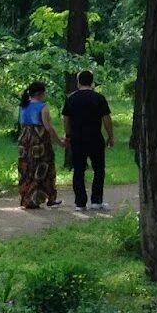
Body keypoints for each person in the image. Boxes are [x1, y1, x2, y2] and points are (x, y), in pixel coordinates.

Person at [62, 68, 114, 211]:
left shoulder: (71, 98)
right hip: (95, 137)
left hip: (77, 138)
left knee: (78, 170)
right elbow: (106, 119)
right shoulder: (99, 98)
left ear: (78, 82)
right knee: (99, 169)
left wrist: (68, 135)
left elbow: (66, 120)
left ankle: (80, 203)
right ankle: (96, 201)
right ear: (92, 82)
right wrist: (110, 136)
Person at [16, 81, 64, 209]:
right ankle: (48, 197)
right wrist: (59, 141)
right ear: (39, 93)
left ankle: (27, 198)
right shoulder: (42, 107)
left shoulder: (22, 106)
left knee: (27, 168)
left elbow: (22, 124)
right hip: (39, 142)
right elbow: (48, 127)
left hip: (24, 142)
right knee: (45, 168)